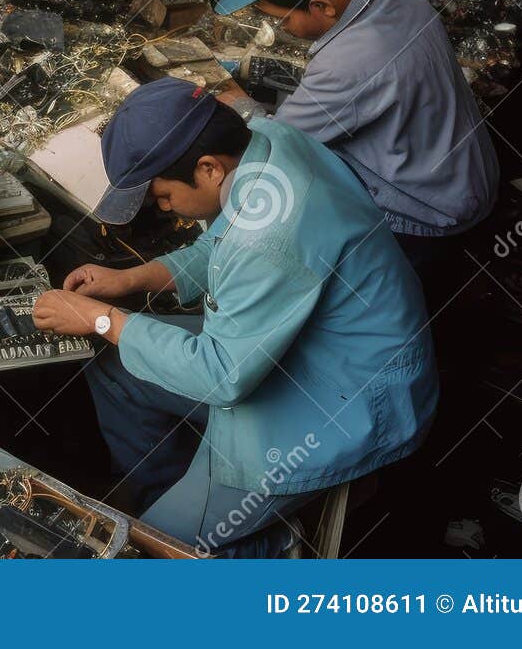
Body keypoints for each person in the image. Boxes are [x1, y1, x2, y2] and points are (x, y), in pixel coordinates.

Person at [32, 79, 438, 556]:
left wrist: (103, 319)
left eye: (163, 196)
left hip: (343, 399)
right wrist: (132, 279)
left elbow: (221, 376)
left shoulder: (268, 235)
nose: (164, 208)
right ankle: (170, 503)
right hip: (300, 348)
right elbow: (221, 242)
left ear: (208, 168)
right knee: (114, 368)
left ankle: (260, 541)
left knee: (150, 551)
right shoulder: (267, 138)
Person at [214, 0, 498, 276]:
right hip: (471, 179)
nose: (281, 28)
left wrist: (244, 108)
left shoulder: (346, 64)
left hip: (426, 216)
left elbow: (281, 145)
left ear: (322, 6)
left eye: (282, 19)